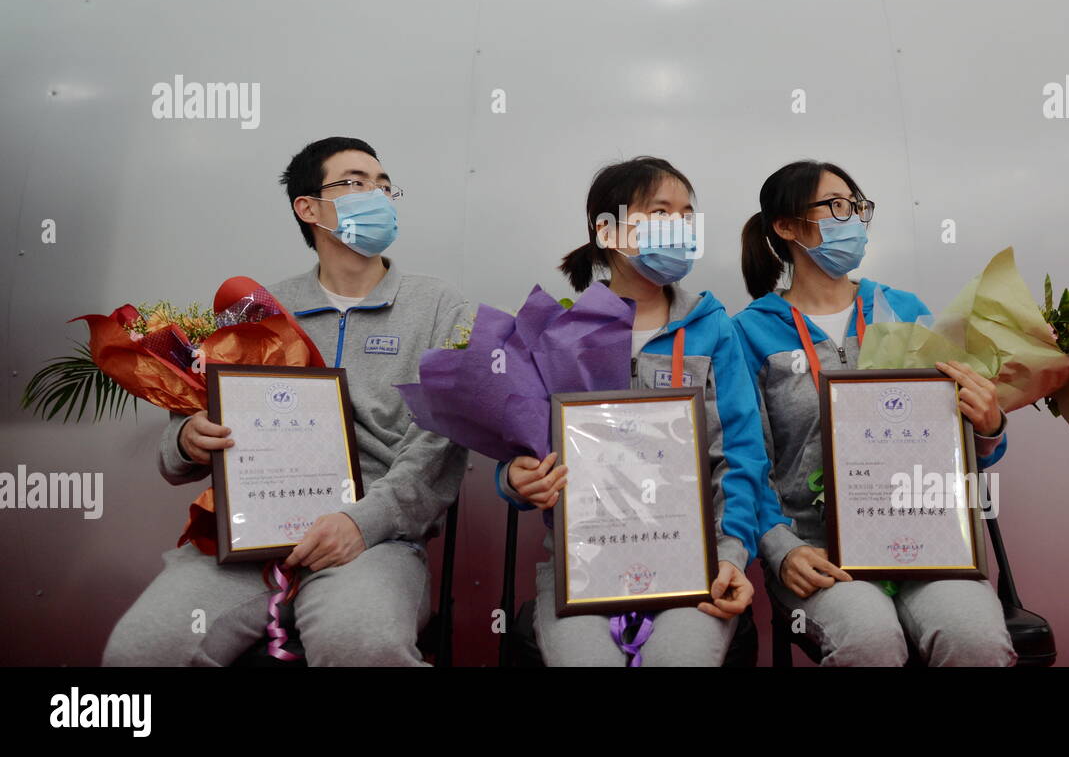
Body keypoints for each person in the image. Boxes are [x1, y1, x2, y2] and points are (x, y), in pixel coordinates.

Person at [101, 137, 469, 667]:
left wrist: (363, 523)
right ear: (309, 208)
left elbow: (438, 447)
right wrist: (188, 438)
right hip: (250, 539)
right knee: (141, 649)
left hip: (373, 542)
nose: (379, 195)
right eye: (357, 182)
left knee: (361, 642)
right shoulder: (257, 309)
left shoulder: (439, 307)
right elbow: (175, 450)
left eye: (386, 186)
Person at [732, 160, 1017, 666]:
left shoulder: (902, 308)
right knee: (869, 641)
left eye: (858, 207)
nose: (853, 220)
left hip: (926, 537)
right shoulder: (749, 333)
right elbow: (744, 462)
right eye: (836, 207)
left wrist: (990, 425)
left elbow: (963, 450)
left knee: (976, 639)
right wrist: (781, 549)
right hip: (819, 551)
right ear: (786, 226)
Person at [498, 156, 771, 666]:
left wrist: (730, 555)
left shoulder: (715, 329)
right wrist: (514, 480)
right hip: (582, 571)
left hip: (698, 563)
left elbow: (741, 457)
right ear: (609, 230)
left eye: (687, 214)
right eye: (660, 211)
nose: (680, 226)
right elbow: (519, 459)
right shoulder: (559, 333)